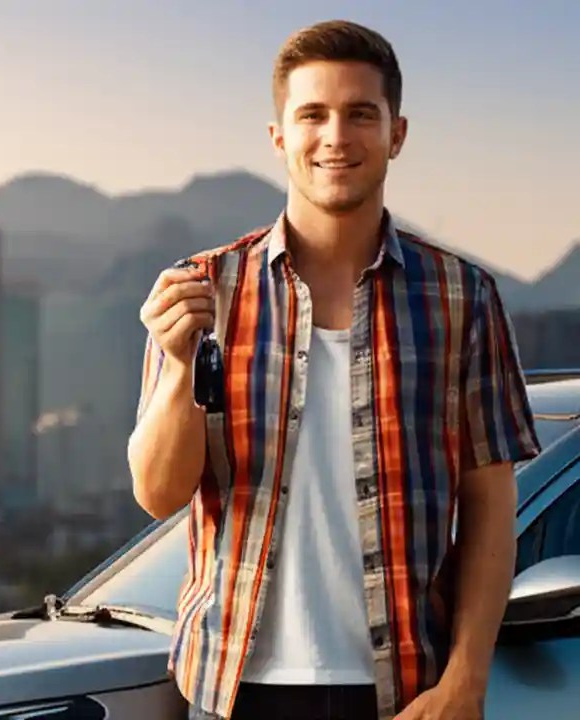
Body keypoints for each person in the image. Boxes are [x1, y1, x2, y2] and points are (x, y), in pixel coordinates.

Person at [128, 19, 540, 720]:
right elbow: (159, 493)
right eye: (312, 114)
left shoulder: (461, 298)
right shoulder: (203, 290)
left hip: (407, 691)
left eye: (360, 114)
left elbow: (491, 508)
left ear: (396, 134)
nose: (336, 138)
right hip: (231, 689)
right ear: (278, 136)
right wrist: (175, 366)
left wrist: (466, 680)